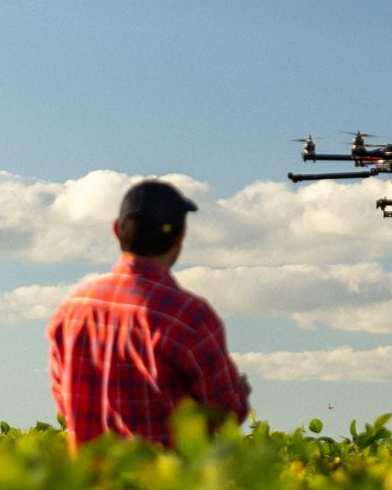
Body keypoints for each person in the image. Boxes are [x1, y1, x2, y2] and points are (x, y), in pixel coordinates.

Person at [47, 179, 251, 449]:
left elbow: (66, 405)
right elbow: (225, 416)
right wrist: (238, 392)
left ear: (117, 230)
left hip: (88, 486)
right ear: (179, 239)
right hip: (166, 487)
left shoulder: (71, 310)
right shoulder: (190, 316)